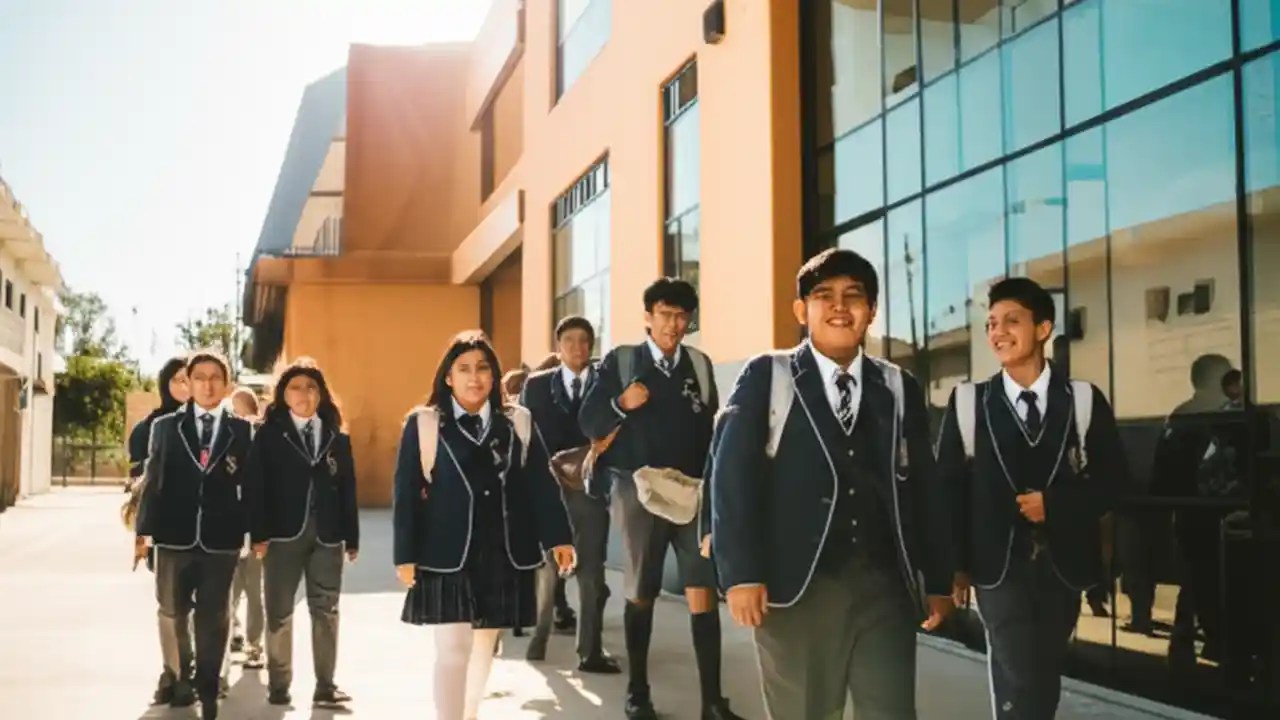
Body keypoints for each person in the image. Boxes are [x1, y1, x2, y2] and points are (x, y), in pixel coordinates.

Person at [710, 249, 954, 720]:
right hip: (796, 589)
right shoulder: (769, 376)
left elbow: (926, 488)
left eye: (853, 296)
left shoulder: (898, 387)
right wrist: (740, 573)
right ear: (802, 311)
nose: (840, 307)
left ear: (872, 312)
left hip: (885, 590)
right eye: (824, 296)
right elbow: (731, 477)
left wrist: (938, 578)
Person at [939, 277, 1123, 719]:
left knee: (1041, 674)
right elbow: (949, 491)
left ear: (1043, 328)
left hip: (1062, 566)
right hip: (995, 568)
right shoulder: (969, 403)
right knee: (1020, 672)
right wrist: (953, 566)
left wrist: (1055, 506)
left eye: (1010, 321)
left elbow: (1114, 481)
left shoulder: (1082, 400)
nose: (997, 332)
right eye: (990, 323)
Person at [579, 278, 741, 720]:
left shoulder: (700, 366)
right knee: (642, 591)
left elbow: (713, 432)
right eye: (665, 314)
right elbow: (589, 421)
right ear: (648, 317)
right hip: (640, 492)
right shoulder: (622, 362)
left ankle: (712, 701)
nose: (673, 324)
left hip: (691, 492)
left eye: (682, 316)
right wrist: (620, 403)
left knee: (702, 590)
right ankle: (638, 693)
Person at [393, 331, 575, 720]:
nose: (473, 378)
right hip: (445, 553)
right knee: (453, 649)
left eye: (482, 369)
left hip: (501, 549)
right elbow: (406, 495)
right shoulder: (424, 424)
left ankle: (469, 712)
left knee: (483, 648)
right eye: (463, 369)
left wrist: (559, 536)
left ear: (493, 377)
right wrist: (404, 555)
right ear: (448, 377)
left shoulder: (518, 423)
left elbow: (541, 484)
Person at [133, 351, 253, 720]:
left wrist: (252, 533)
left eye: (215, 377)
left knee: (214, 617)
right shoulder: (166, 427)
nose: (207, 384)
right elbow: (153, 482)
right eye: (199, 377)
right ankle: (181, 676)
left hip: (222, 540)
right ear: (188, 383)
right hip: (173, 537)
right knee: (173, 612)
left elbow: (252, 487)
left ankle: (208, 689)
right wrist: (144, 533)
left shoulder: (242, 430)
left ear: (226, 383)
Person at [245, 359, 359, 708]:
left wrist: (351, 537)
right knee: (279, 611)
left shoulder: (336, 436)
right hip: (281, 536)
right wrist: (259, 534)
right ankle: (279, 684)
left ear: (321, 394)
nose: (304, 394)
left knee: (326, 611)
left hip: (327, 535)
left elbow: (348, 488)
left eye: (311, 387)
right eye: (295, 387)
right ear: (283, 394)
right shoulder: (268, 434)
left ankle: (326, 685)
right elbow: (256, 486)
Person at [521, 316, 617, 671]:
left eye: (584, 341)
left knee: (592, 571)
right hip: (549, 489)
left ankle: (589, 651)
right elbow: (526, 436)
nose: (577, 347)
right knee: (546, 571)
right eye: (570, 340)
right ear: (558, 345)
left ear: (591, 347)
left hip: (590, 489)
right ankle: (538, 640)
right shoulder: (537, 385)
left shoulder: (605, 384)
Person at [127, 356, 195, 706]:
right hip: (165, 530)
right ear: (165, 384)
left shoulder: (214, 425)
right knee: (170, 605)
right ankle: (173, 670)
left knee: (204, 608)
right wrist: (144, 535)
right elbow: (139, 486)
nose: (185, 387)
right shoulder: (150, 428)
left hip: (209, 534)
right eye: (177, 380)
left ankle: (190, 670)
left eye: (190, 379)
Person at [225, 388, 265, 672]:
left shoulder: (259, 440)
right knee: (227, 592)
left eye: (240, 410)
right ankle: (231, 637)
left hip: (252, 534)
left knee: (253, 591)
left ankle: (254, 645)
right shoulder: (225, 439)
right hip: (227, 533)